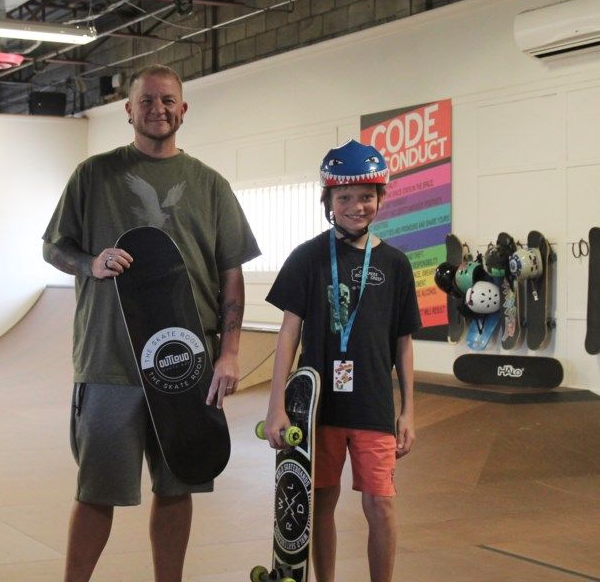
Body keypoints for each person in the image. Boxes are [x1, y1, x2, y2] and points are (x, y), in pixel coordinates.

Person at [42, 64, 260, 582]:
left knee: (178, 484)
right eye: (147, 101)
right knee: (97, 490)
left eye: (168, 101)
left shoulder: (210, 185)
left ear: (183, 110)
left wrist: (228, 353)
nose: (158, 110)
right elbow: (54, 246)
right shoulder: (93, 175)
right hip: (109, 361)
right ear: (128, 110)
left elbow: (231, 274)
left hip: (184, 365)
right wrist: (90, 263)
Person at [261, 139, 421, 582]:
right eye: (344, 197)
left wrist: (408, 410)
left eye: (366, 196)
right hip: (319, 409)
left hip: (372, 406)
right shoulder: (309, 256)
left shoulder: (395, 263)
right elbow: (289, 331)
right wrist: (277, 405)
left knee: (381, 503)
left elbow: (403, 342)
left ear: (380, 198)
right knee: (321, 503)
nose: (356, 206)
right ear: (328, 201)